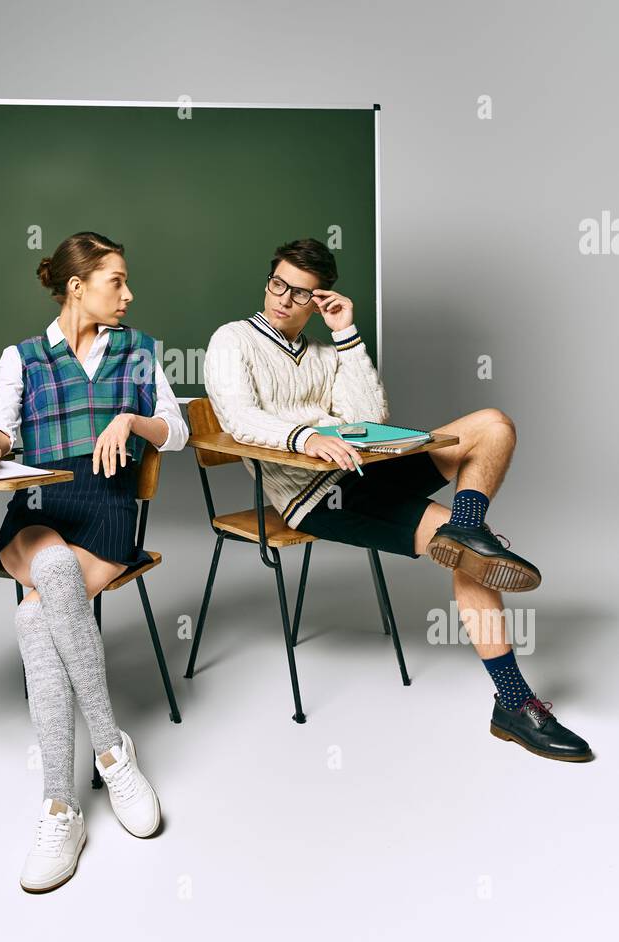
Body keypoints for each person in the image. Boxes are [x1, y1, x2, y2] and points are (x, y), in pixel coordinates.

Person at [202, 236, 593, 763]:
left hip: (368, 469)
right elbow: (238, 417)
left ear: (320, 300)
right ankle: (516, 704)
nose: (282, 299)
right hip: (317, 497)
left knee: (492, 425)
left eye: (300, 293)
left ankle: (467, 526)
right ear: (268, 281)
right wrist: (307, 436)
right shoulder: (233, 339)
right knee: (474, 563)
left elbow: (370, 417)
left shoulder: (326, 350)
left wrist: (346, 334)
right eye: (278, 284)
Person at [0, 231, 189, 893]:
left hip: (108, 515)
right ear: (76, 286)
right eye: (115, 281)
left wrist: (132, 420)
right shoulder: (23, 357)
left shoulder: (142, 352)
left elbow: (175, 430)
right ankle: (112, 752)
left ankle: (61, 804)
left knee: (40, 613)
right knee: (52, 570)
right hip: (36, 513)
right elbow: (3, 427)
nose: (128, 293)